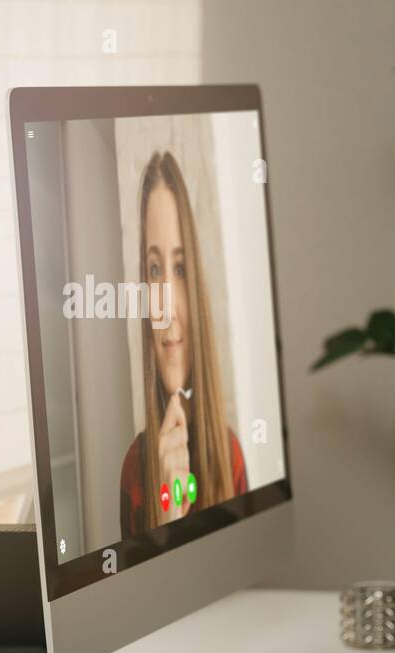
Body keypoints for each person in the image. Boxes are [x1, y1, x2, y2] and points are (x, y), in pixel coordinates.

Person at [120, 150, 246, 538]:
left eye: (179, 268)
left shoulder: (232, 456)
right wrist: (168, 521)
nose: (167, 306)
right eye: (154, 270)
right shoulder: (134, 471)